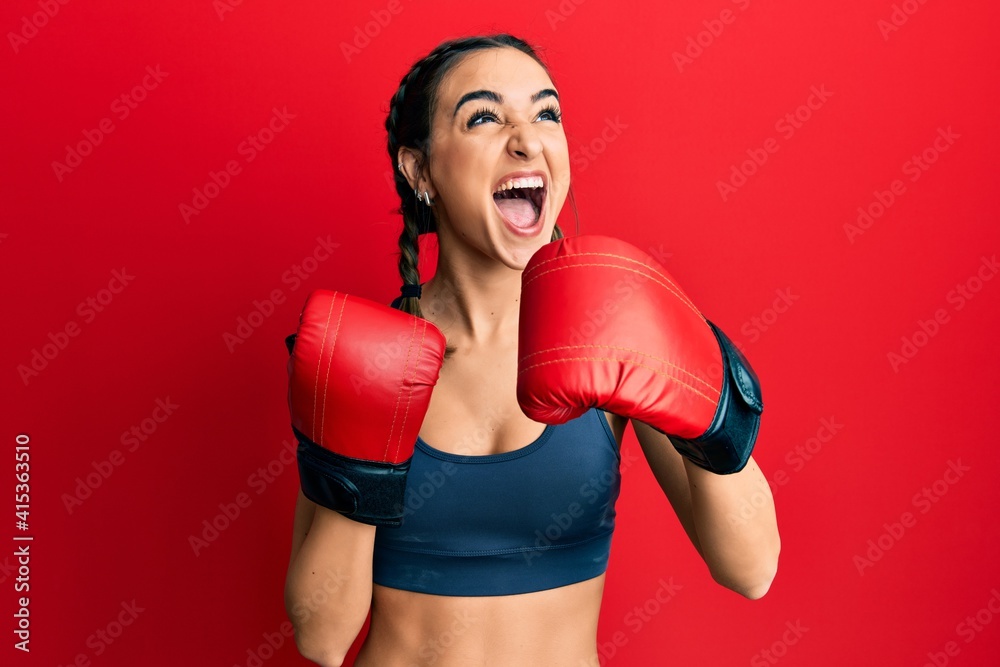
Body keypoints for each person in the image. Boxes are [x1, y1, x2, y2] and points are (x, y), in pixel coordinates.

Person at [283, 34, 780, 667]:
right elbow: (322, 639)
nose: (528, 139)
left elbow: (752, 569)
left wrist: (710, 399)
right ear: (419, 170)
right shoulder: (362, 356)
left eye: (546, 113)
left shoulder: (610, 332)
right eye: (484, 117)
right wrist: (359, 455)